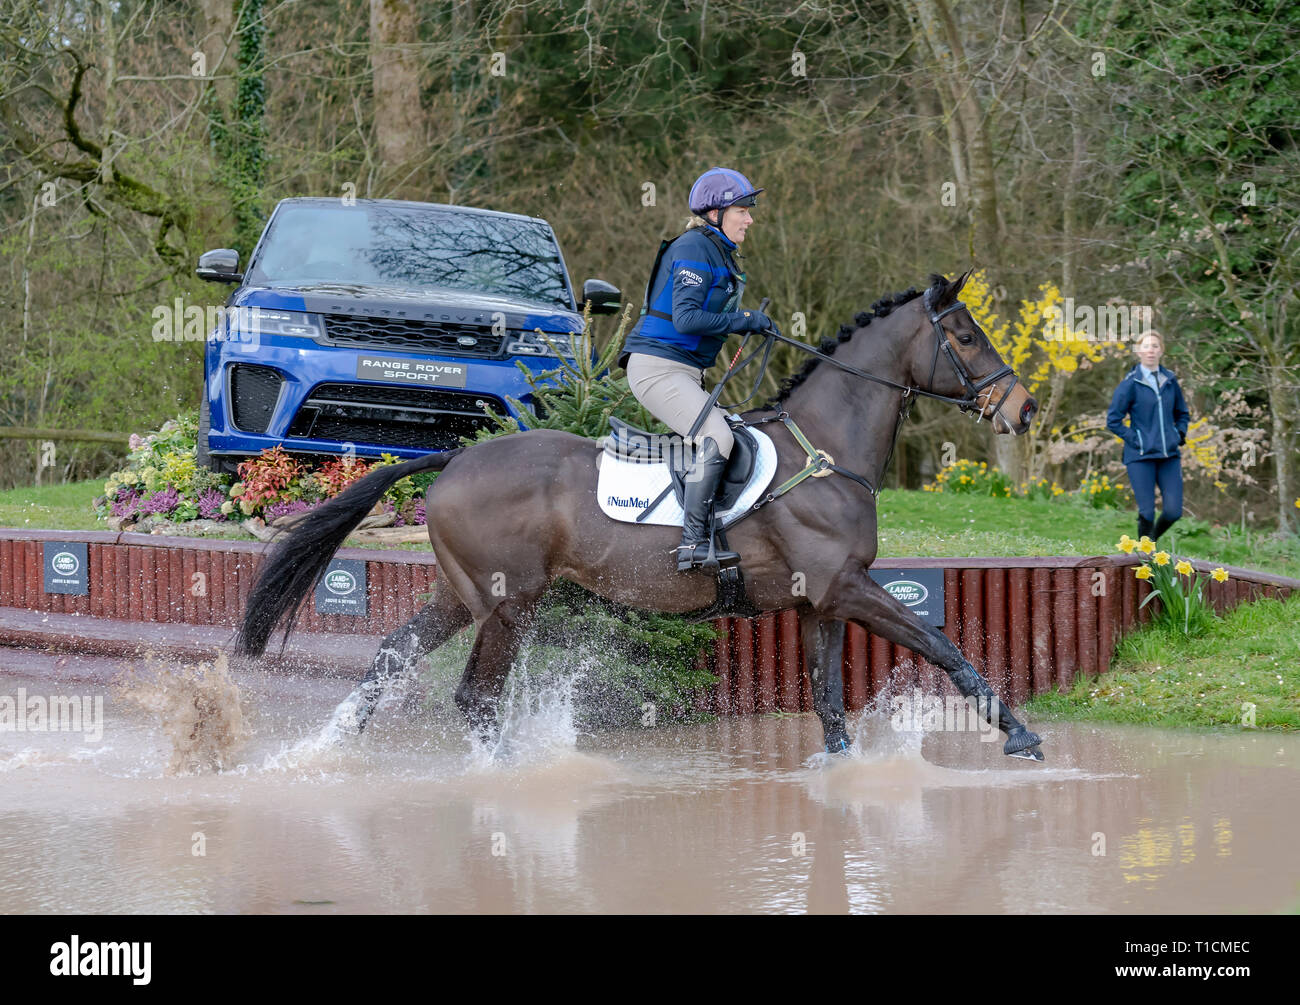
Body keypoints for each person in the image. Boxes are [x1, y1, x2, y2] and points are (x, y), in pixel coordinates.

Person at [619, 167, 774, 572]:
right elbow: (687, 319)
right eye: (743, 209)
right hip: (657, 368)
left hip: (683, 371)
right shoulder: (692, 248)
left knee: (737, 433)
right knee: (717, 435)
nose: (750, 218)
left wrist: (751, 322)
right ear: (716, 213)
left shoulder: (717, 250)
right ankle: (691, 544)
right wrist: (744, 319)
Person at [1105, 331, 1191, 542]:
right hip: (1140, 456)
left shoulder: (1170, 380)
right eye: (1145, 346)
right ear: (1138, 351)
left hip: (1168, 455)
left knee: (1173, 512)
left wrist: (1178, 434)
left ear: (1161, 350)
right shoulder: (1130, 384)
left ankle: (1148, 542)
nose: (1150, 350)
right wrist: (1137, 440)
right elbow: (1113, 420)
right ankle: (1146, 562)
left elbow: (1182, 413)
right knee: (1147, 513)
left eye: (1154, 346)